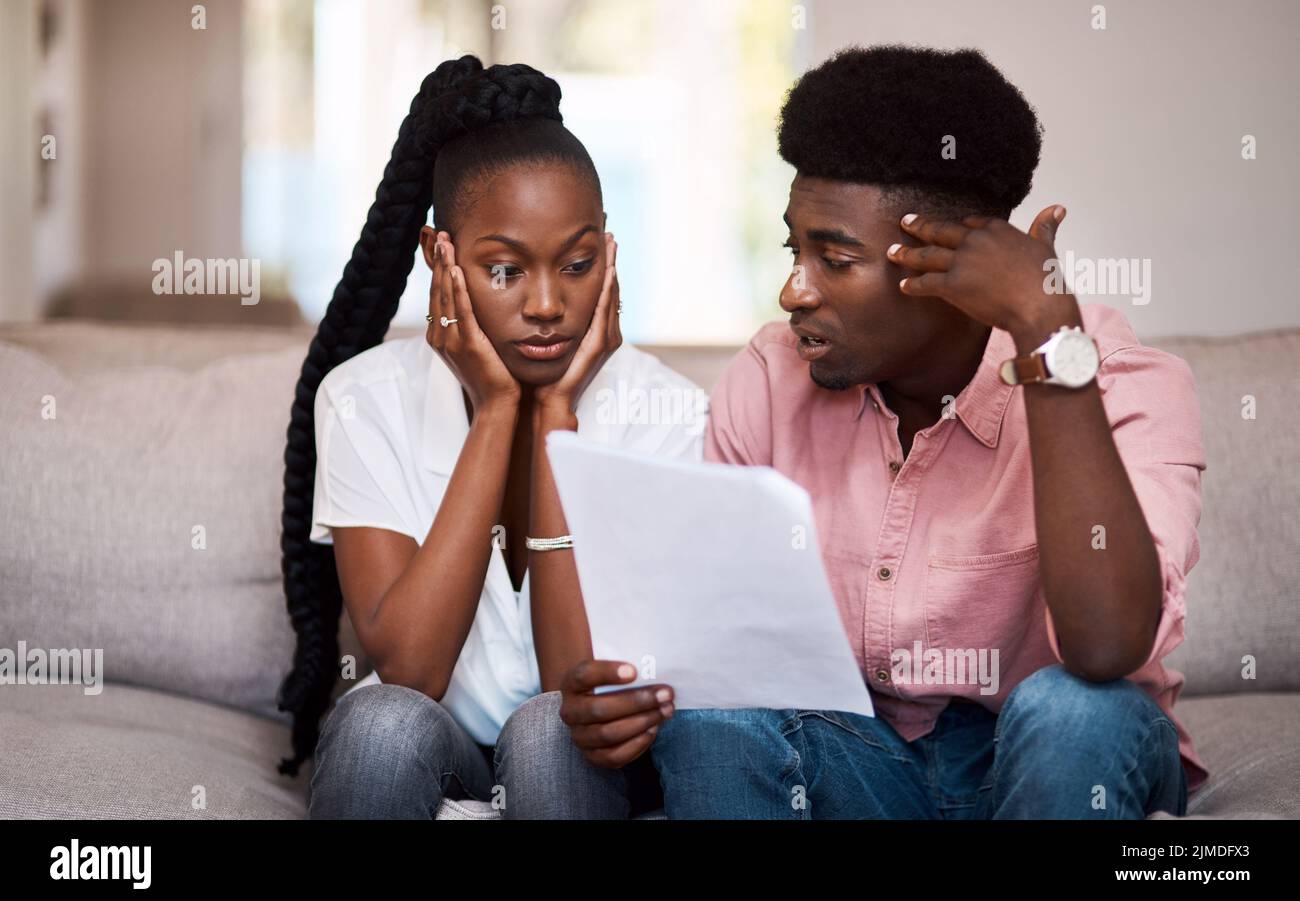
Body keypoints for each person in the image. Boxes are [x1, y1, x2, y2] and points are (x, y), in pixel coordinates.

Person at [644, 45, 1208, 819]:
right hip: (865, 756)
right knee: (709, 717)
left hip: (1055, 753)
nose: (792, 290)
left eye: (834, 258)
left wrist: (1048, 337)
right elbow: (725, 647)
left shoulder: (1120, 378)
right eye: (794, 249)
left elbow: (1106, 648)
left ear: (949, 267)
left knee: (1073, 708)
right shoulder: (770, 382)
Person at [276, 56, 699, 819]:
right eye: (505, 270)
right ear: (441, 257)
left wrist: (556, 420)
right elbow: (412, 667)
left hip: (582, 761)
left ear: (608, 252)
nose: (547, 303)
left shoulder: (668, 413)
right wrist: (499, 407)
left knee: (547, 733)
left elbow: (578, 682)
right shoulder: (361, 400)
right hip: (438, 743)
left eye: (576, 264)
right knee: (378, 724)